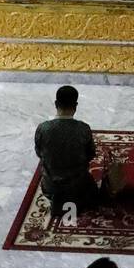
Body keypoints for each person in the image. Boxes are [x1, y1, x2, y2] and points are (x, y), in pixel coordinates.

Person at [34, 85, 99, 220]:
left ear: (56, 104)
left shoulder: (43, 128)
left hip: (50, 185)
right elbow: (91, 154)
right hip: (78, 184)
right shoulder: (83, 129)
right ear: (75, 106)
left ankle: (58, 199)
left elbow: (39, 153)